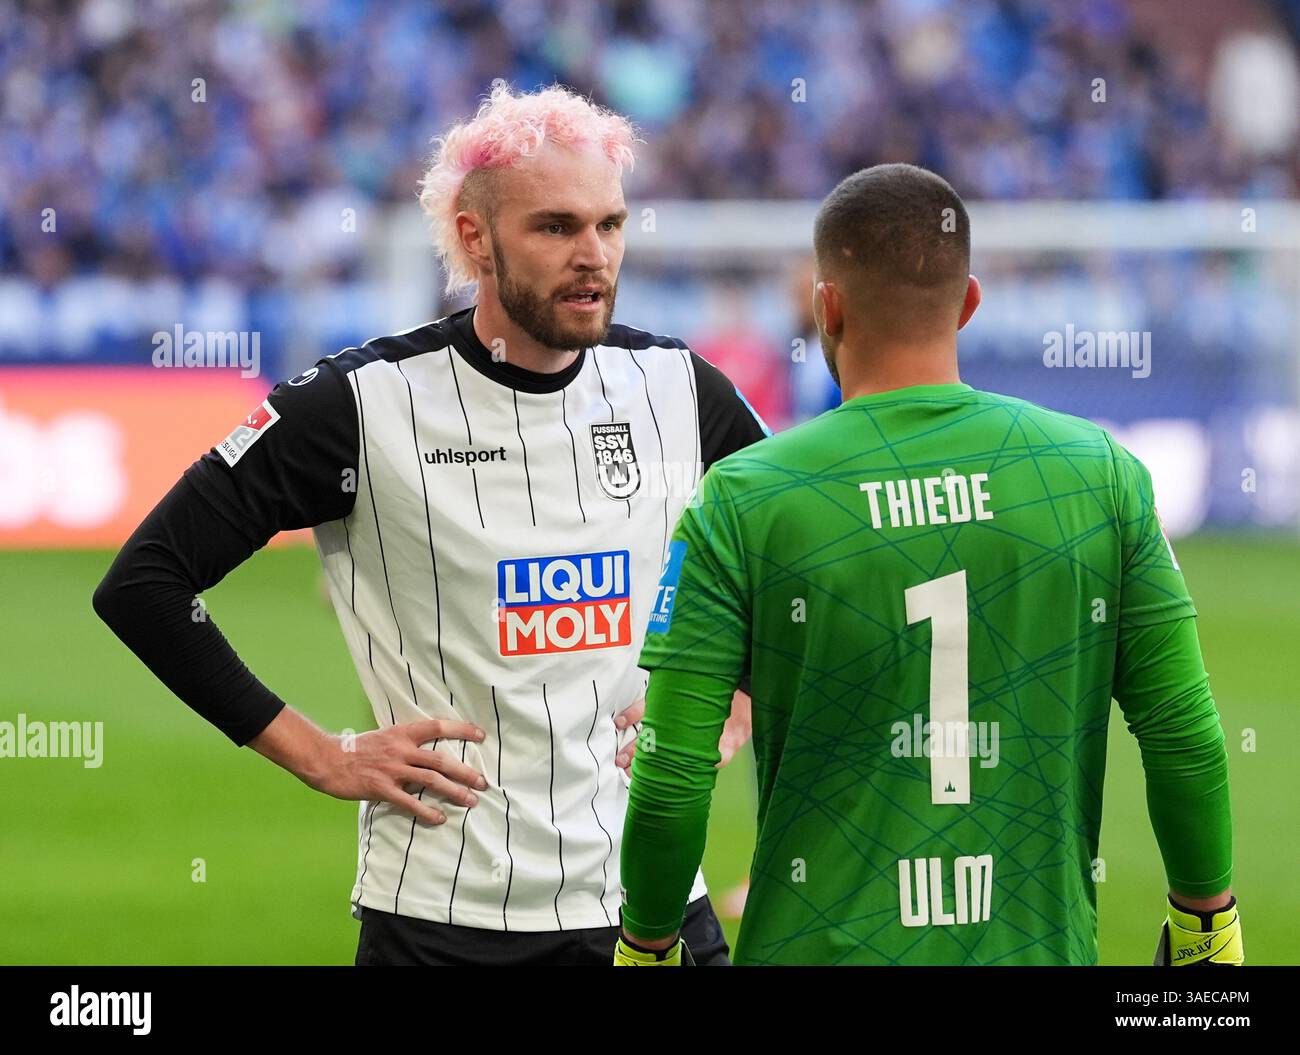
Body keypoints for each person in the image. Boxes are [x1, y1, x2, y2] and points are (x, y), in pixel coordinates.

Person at [93, 83, 766, 966]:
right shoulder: (358, 406)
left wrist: (736, 701)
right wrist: (319, 753)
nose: (593, 255)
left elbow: (796, 561)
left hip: (651, 914)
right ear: (475, 237)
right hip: (443, 923)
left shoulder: (679, 389)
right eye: (556, 227)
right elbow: (145, 582)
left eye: (610, 224)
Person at [613, 163, 1241, 966]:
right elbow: (1186, 736)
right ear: (969, 302)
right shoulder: (1100, 473)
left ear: (826, 306)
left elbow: (670, 778)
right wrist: (1205, 934)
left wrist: (646, 948)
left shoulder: (742, 498)